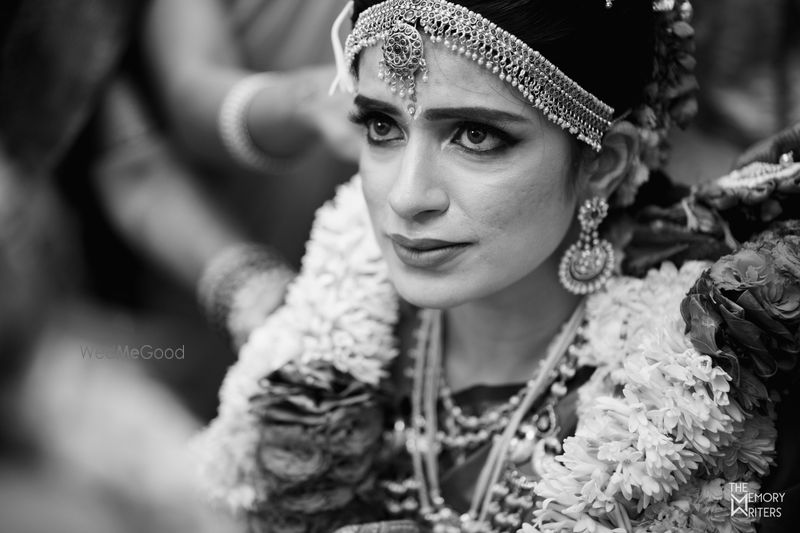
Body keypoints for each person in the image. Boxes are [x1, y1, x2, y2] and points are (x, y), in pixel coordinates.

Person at [194, 1, 800, 532]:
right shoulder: (317, 343)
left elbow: (757, 511)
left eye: (476, 136)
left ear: (604, 164)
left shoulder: (718, 365)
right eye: (383, 126)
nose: (408, 197)